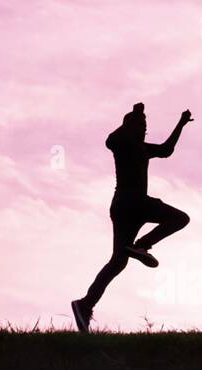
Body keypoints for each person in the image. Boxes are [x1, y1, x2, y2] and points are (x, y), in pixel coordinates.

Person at [72, 103, 193, 332]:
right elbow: (110, 140)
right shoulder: (122, 144)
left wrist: (181, 123)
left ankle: (84, 305)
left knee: (118, 261)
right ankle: (142, 246)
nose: (143, 128)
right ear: (128, 126)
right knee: (180, 218)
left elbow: (167, 150)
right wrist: (133, 116)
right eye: (139, 124)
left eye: (145, 124)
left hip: (124, 208)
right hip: (132, 203)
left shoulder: (143, 148)